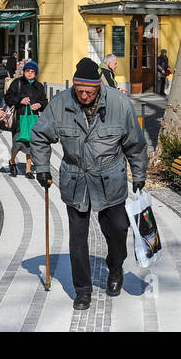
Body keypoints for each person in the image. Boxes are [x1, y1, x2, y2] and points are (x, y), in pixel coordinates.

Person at [33, 57, 147, 310]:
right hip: (76, 180)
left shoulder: (119, 103)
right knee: (77, 239)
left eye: (89, 91)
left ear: (98, 88)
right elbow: (40, 135)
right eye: (79, 90)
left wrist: (139, 173)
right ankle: (82, 289)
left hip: (111, 179)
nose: (83, 95)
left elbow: (135, 144)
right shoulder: (61, 102)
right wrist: (42, 167)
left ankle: (115, 268)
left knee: (118, 230)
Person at [5, 60, 47, 177]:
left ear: (36, 73)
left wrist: (39, 105)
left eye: (32, 72)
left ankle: (28, 169)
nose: (29, 74)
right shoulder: (17, 83)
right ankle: (12, 161)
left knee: (30, 144)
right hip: (19, 119)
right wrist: (20, 101)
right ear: (24, 72)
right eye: (27, 71)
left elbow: (45, 102)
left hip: (33, 119)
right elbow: (8, 98)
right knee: (17, 143)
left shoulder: (39, 86)